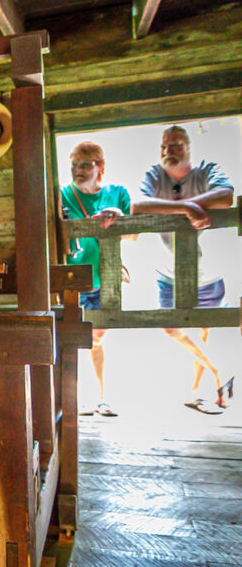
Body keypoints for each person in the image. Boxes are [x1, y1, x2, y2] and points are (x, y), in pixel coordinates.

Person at [133, 125, 235, 414]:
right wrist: (189, 209)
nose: (168, 151)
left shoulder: (206, 170)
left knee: (204, 331)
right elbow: (137, 204)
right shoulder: (154, 174)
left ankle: (196, 392)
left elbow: (225, 195)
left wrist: (186, 204)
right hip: (168, 270)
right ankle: (220, 373)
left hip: (210, 269)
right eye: (164, 147)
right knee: (171, 327)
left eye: (175, 145)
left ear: (189, 146)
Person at [61, 141, 131, 417]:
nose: (78, 170)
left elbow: (133, 234)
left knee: (97, 336)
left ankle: (103, 396)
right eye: (74, 164)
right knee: (72, 340)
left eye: (85, 164)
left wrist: (119, 216)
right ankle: (80, 398)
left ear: (100, 166)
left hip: (104, 279)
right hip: (71, 280)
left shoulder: (117, 193)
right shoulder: (62, 195)